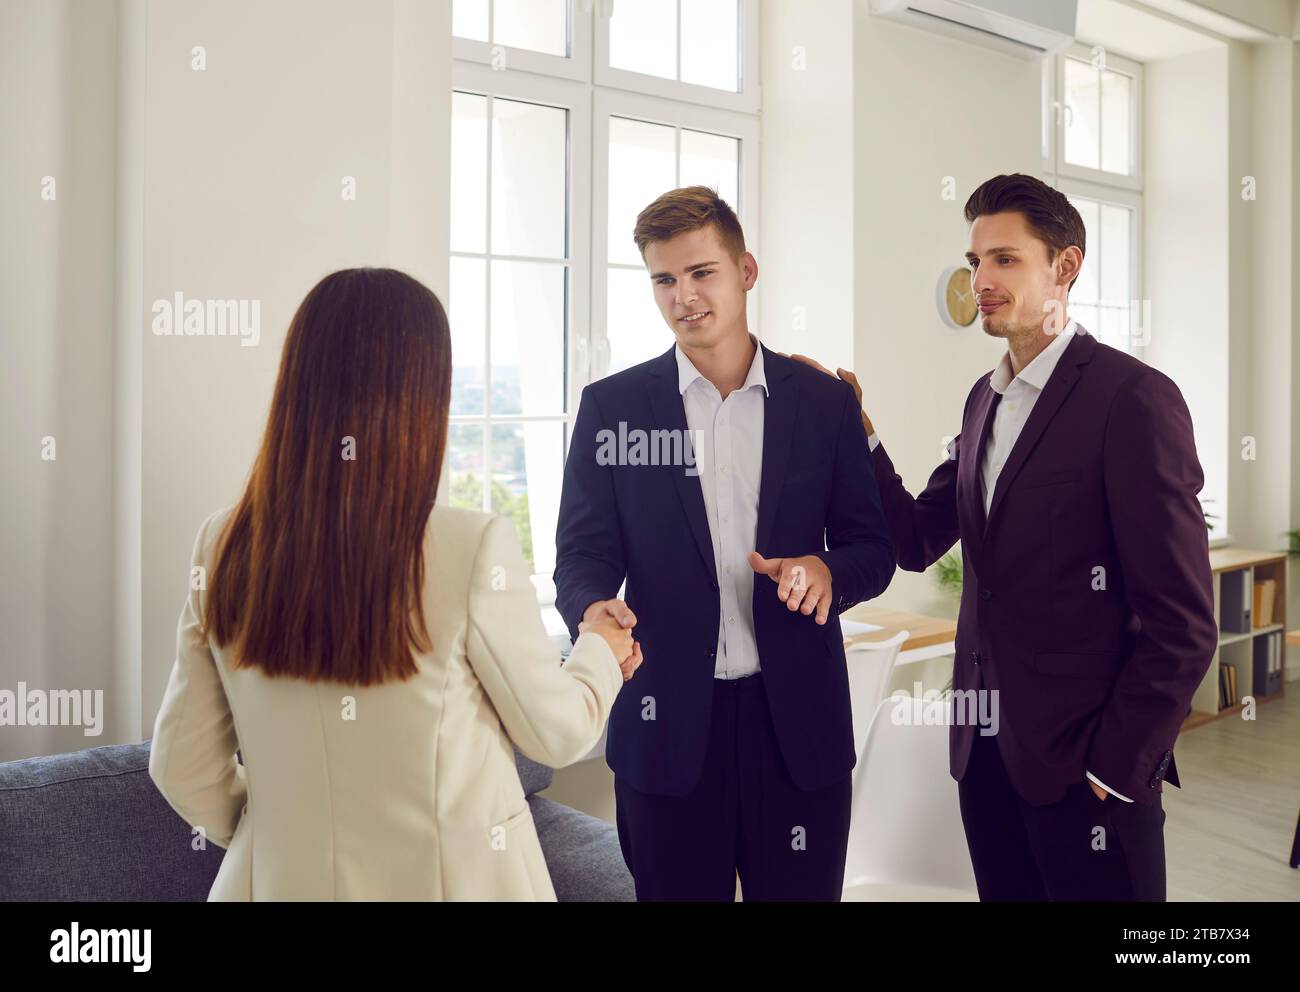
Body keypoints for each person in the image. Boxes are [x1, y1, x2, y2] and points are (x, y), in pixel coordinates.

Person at [149, 267, 638, 900]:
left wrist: (286, 829)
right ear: (422, 397)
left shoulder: (223, 546)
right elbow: (558, 732)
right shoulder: (467, 548)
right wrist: (599, 647)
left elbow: (180, 768)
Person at [794, 173, 1216, 901]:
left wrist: (1115, 769)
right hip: (983, 763)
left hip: (1090, 777)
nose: (981, 280)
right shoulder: (983, 401)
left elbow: (1183, 624)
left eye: (1005, 259)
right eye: (975, 261)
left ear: (1066, 267)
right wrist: (858, 432)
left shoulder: (1133, 400)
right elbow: (916, 539)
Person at [554, 186, 896, 901]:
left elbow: (872, 546)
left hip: (797, 732)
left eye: (702, 272)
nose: (684, 296)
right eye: (664, 279)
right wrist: (590, 608)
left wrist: (826, 572)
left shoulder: (824, 403)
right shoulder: (612, 408)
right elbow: (583, 554)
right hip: (666, 729)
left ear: (746, 271)